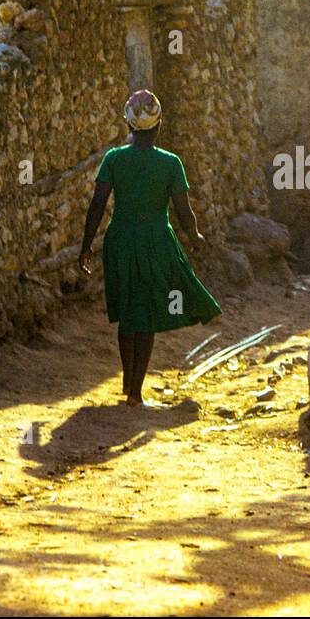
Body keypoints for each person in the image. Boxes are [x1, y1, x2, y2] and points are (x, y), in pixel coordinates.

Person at [77, 89, 221, 407]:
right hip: (155, 241)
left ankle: (130, 384)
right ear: (159, 125)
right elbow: (184, 211)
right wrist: (195, 237)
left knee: (129, 311)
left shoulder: (114, 159)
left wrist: (86, 247)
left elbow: (97, 203)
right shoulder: (171, 163)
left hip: (120, 242)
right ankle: (134, 391)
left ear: (128, 125)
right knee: (145, 314)